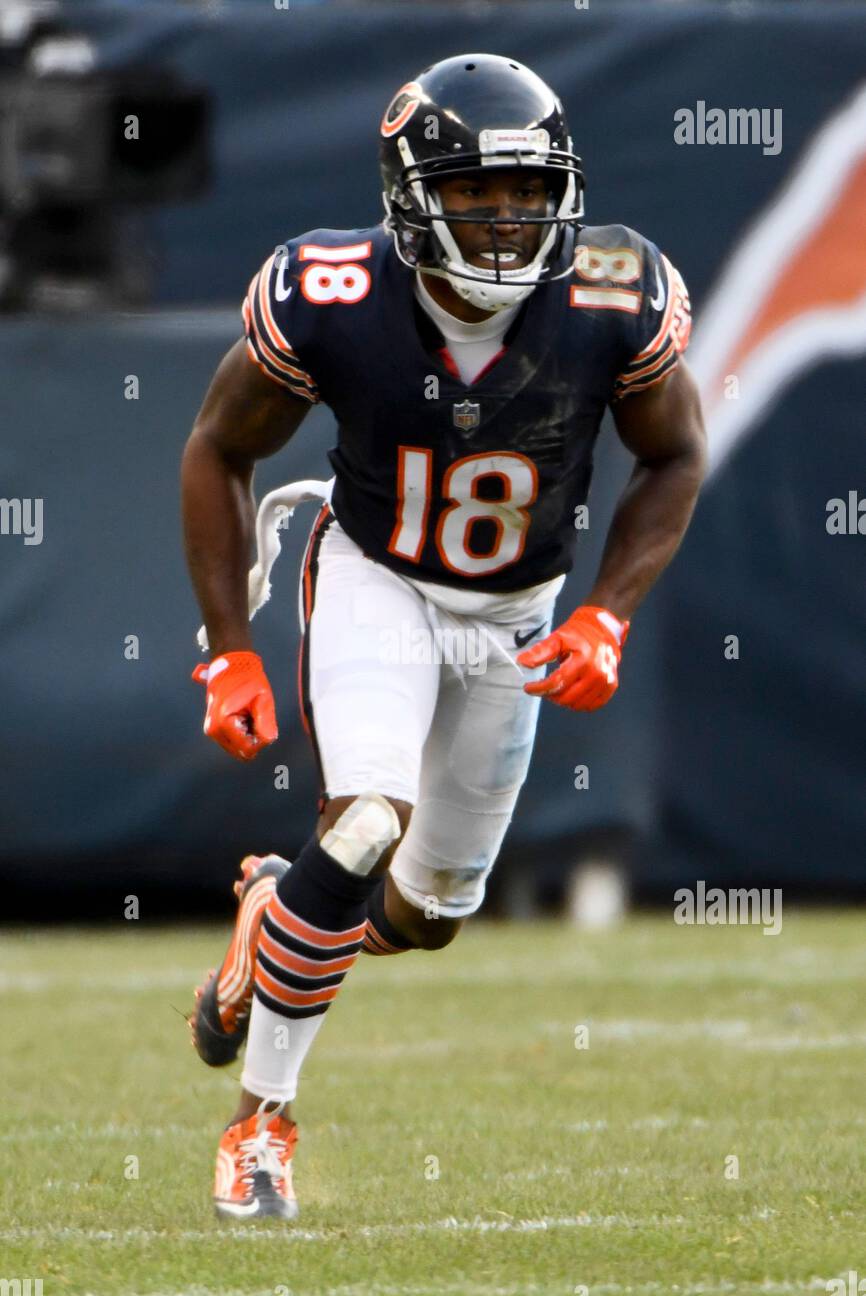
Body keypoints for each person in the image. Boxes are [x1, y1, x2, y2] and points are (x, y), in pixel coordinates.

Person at [181, 52, 706, 1220]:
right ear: (413, 192)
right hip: (378, 576)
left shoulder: (616, 288)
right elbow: (221, 447)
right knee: (363, 824)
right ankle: (259, 1125)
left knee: (423, 917)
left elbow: (672, 455)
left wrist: (606, 615)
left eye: (527, 193)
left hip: (516, 611)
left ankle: (277, 912)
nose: (508, 221)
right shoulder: (329, 291)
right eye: (476, 192)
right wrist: (227, 641)